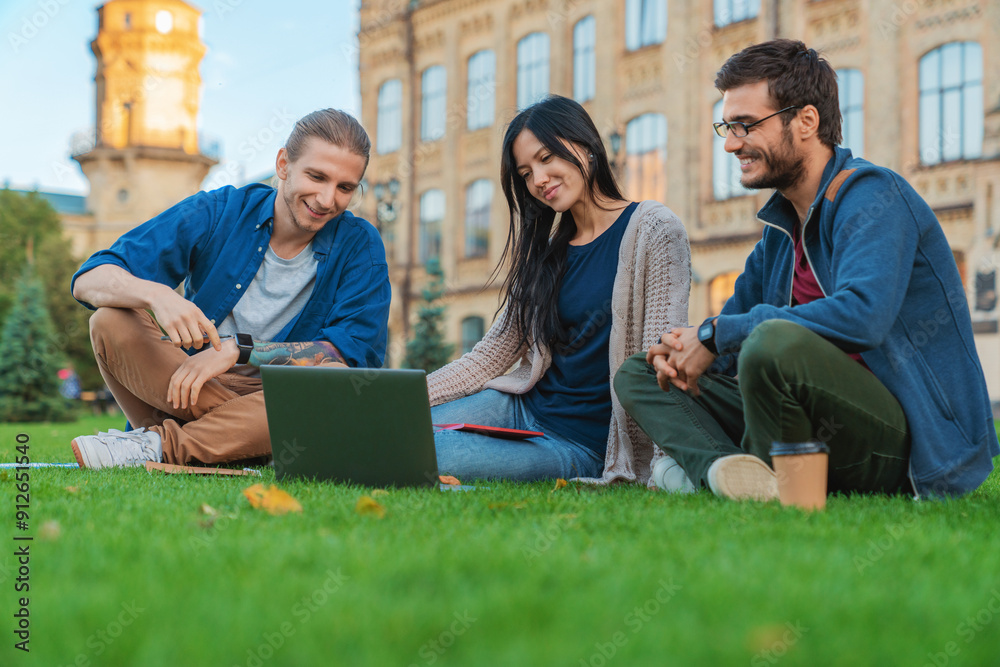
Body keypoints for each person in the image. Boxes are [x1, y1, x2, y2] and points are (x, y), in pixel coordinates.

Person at [615, 39, 998, 500]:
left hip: (899, 442)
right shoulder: (780, 229)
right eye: (727, 127)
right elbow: (731, 341)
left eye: (745, 125)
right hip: (802, 425)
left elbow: (863, 316)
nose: (732, 143)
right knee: (639, 371)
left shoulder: (873, 196)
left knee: (772, 341)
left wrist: (717, 334)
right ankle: (727, 473)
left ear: (806, 121)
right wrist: (686, 349)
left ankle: (737, 474)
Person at [69, 109, 391, 469]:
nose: (327, 199)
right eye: (316, 177)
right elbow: (89, 279)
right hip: (188, 385)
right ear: (284, 164)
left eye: (345, 188)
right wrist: (157, 295)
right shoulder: (220, 210)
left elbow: (353, 354)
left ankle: (158, 446)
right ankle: (243, 442)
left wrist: (242, 351)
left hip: (274, 397)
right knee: (109, 321)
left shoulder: (360, 244)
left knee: (333, 383)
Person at [427, 95, 690, 483]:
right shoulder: (547, 252)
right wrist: (400, 398)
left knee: (429, 453)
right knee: (398, 429)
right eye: (526, 172)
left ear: (584, 146)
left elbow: (659, 360)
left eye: (546, 158)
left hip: (579, 444)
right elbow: (487, 358)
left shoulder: (654, 230)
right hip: (519, 407)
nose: (538, 180)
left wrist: (664, 464)